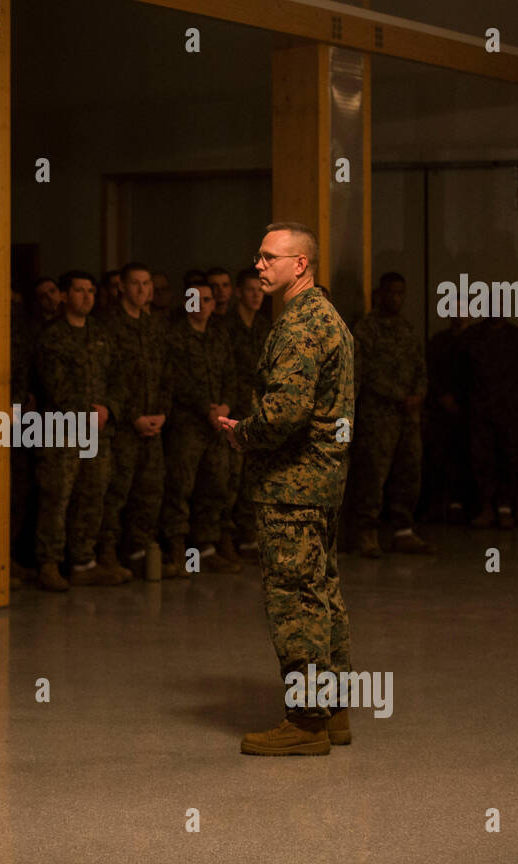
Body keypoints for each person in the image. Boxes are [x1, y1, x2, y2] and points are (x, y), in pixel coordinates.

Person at [221, 222, 354, 756]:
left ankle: (304, 723)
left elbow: (284, 414)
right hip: (319, 483)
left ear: (300, 264)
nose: (259, 266)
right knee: (322, 593)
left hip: (291, 485)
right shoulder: (328, 318)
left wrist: (242, 434)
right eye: (257, 257)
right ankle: (333, 710)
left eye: (270, 258)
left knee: (294, 600)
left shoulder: (302, 326)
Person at [33, 270, 125, 591]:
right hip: (62, 430)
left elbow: (117, 378)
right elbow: (54, 386)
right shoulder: (52, 337)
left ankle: (84, 561)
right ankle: (48, 563)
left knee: (93, 494)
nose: (86, 297)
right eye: (79, 291)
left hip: (98, 430)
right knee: (57, 496)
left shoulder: (100, 334)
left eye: (91, 291)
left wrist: (109, 409)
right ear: (63, 296)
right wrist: (87, 412)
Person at [347, 272, 432, 556]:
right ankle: (367, 532)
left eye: (400, 293)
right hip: (378, 415)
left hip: (408, 416)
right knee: (372, 474)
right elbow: (364, 371)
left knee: (409, 471)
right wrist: (399, 396)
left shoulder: (407, 329)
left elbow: (420, 365)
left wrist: (418, 394)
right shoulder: (366, 329)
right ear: (379, 294)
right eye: (391, 293)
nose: (396, 298)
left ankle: (403, 530)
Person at [158, 281, 238, 576]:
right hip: (187, 424)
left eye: (207, 300)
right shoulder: (175, 336)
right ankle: (178, 551)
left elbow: (231, 374)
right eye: (195, 299)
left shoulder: (219, 336)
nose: (201, 305)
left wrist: (225, 407)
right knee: (181, 486)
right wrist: (206, 407)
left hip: (216, 424)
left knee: (215, 484)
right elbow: (176, 379)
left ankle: (206, 548)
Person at [97, 262, 168, 578]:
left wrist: (162, 413)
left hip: (153, 422)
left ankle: (138, 550)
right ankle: (108, 552)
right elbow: (108, 378)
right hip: (124, 427)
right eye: (136, 284)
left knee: (149, 490)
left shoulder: (154, 326)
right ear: (122, 288)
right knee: (116, 492)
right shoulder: (109, 325)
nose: (142, 290)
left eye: (147, 284)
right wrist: (132, 417)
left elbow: (167, 374)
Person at [457, 310, 518, 528]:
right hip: (480, 410)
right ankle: (486, 507)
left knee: (509, 459)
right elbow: (459, 369)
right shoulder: (471, 336)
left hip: (509, 410)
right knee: (481, 460)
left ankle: (505, 508)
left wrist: (512, 390)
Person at [220, 270, 272, 560]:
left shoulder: (265, 327)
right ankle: (225, 536)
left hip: (257, 412)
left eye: (260, 290)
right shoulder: (226, 327)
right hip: (233, 409)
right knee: (228, 479)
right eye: (250, 289)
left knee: (252, 478)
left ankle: (248, 535)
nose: (256, 295)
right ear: (239, 292)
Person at [422, 310, 470, 522]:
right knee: (436, 458)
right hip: (439, 409)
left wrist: (463, 400)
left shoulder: (476, 341)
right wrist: (442, 396)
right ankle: (436, 504)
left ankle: (459, 504)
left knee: (466, 458)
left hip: (470, 409)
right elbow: (428, 371)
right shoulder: (439, 342)